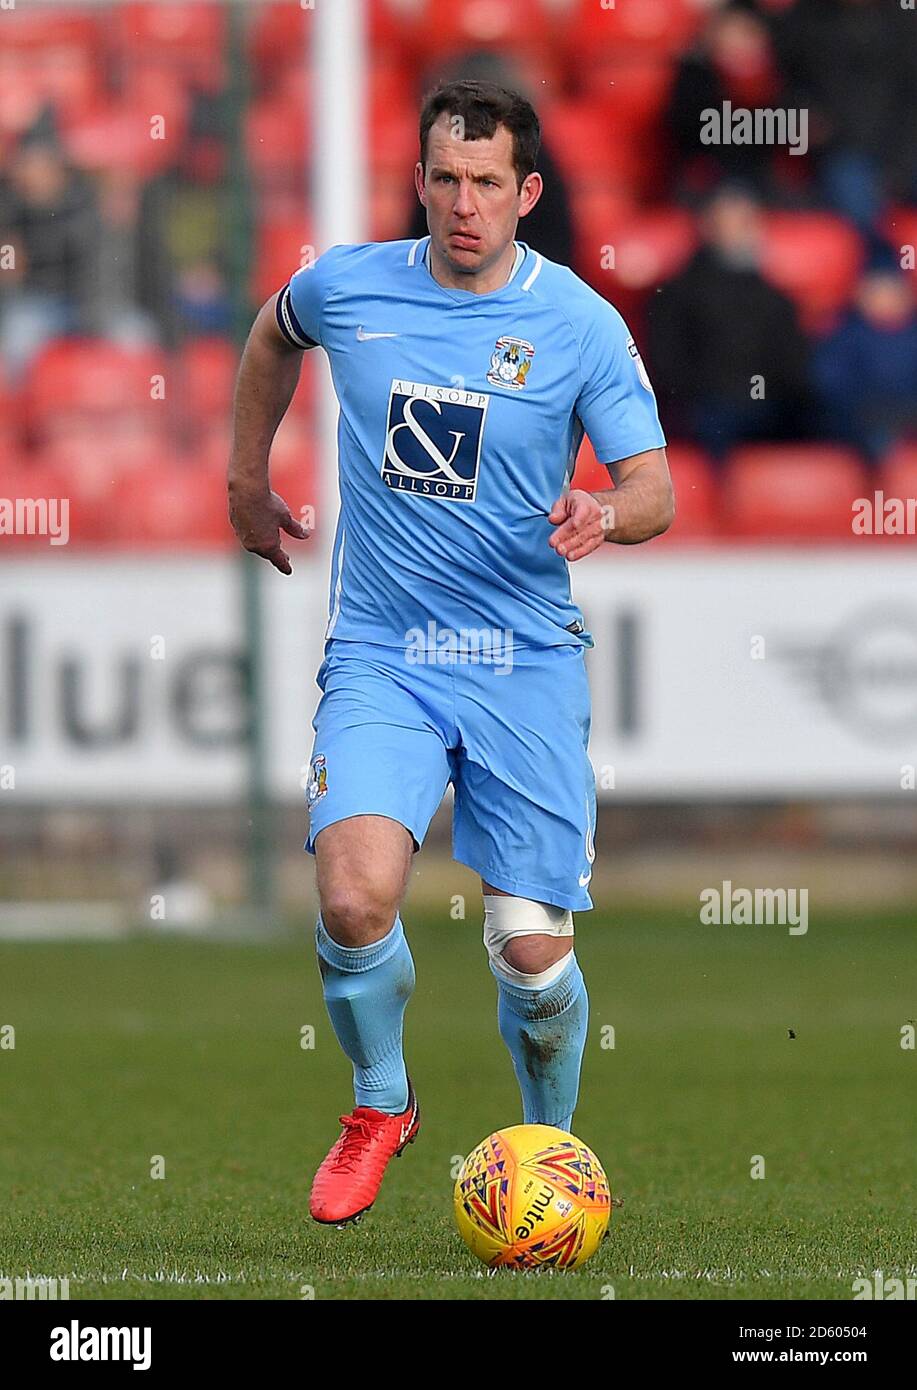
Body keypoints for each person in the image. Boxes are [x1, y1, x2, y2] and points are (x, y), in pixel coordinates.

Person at [228, 81, 673, 1227]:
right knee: (353, 896)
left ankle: (548, 1155)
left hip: (520, 655)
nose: (461, 203)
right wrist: (243, 478)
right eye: (442, 177)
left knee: (530, 956)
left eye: (484, 183)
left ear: (526, 192)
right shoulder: (351, 285)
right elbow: (273, 332)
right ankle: (382, 1101)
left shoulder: (577, 322)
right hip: (385, 650)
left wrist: (601, 515)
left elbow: (653, 489)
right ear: (419, 178)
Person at [647, 184, 810, 457]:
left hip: (769, 408)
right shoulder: (678, 293)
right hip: (707, 410)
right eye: (733, 223)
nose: (744, 233)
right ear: (709, 227)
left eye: (748, 223)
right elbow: (668, 365)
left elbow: (793, 366)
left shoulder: (776, 299)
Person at [813, 264, 917, 460]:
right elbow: (831, 383)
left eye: (891, 291)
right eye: (877, 291)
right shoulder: (844, 336)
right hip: (863, 422)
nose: (885, 299)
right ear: (860, 296)